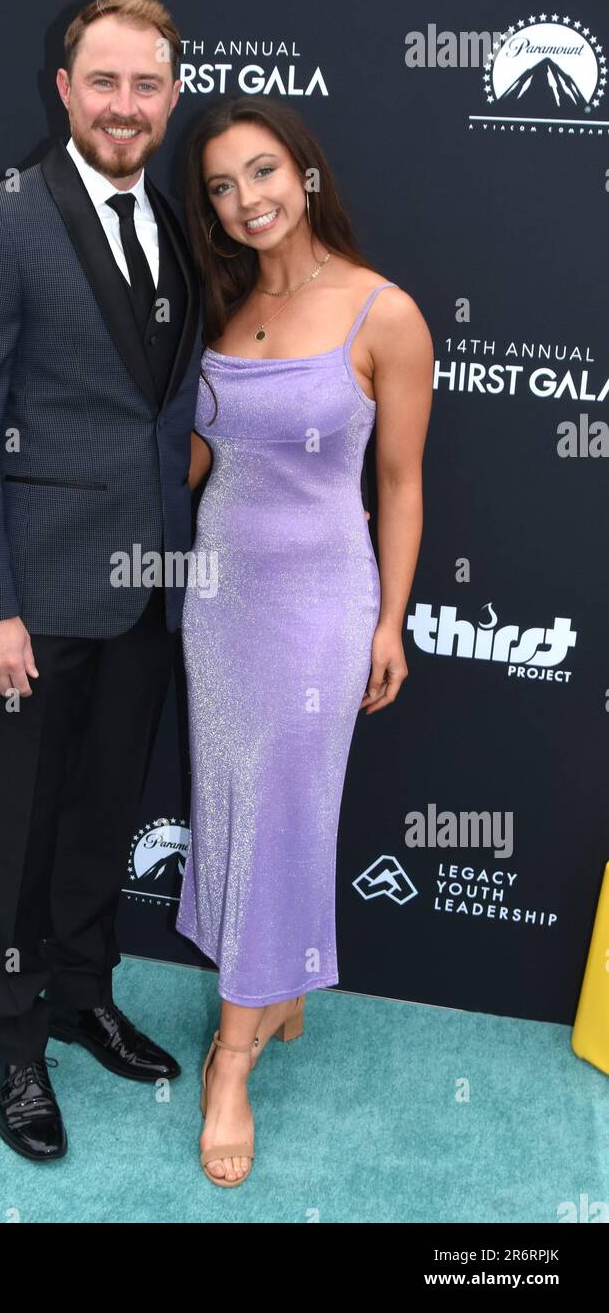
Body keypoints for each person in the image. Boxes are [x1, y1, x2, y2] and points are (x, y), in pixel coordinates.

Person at [0, 0, 202, 1162]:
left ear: (170, 96)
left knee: (102, 813)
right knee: (21, 832)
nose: (124, 106)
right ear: (64, 89)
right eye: (103, 83)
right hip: (32, 601)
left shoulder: (178, 222)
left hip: (146, 590)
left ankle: (84, 992)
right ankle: (15, 1039)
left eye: (145, 85)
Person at [175, 96, 434, 1186]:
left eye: (264, 171)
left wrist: (389, 620)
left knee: (284, 805)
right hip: (216, 603)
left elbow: (401, 483)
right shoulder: (223, 312)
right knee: (232, 802)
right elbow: (191, 468)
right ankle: (272, 984)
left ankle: (231, 1055)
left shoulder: (383, 313)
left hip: (320, 604)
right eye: (223, 188)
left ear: (307, 172)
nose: (247, 201)